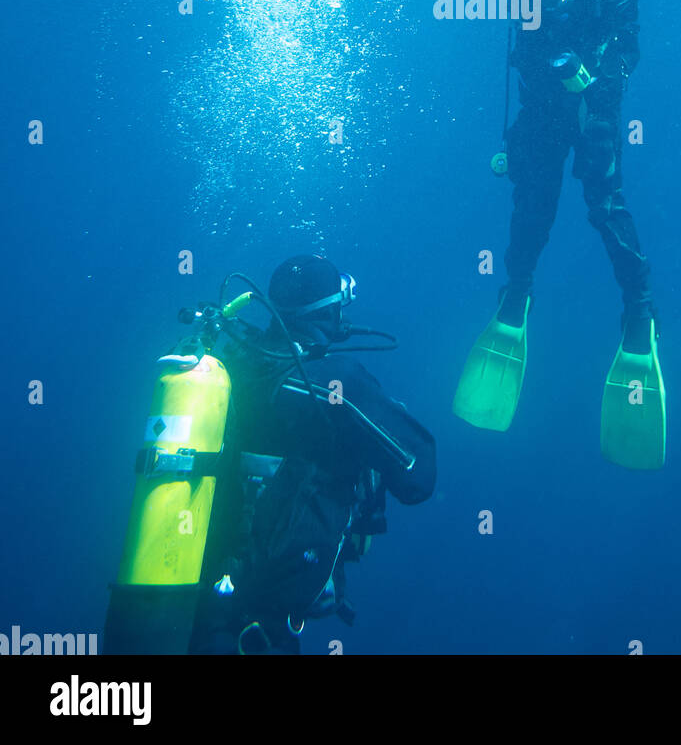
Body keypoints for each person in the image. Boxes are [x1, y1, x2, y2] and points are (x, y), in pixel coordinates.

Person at [105, 254, 435, 655]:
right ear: (330, 310)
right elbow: (418, 477)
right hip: (258, 625)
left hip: (188, 599)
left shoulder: (229, 369)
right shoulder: (336, 384)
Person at [453, 0, 665, 469]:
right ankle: (516, 295)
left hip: (593, 100)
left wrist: (596, 85)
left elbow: (628, 45)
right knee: (533, 205)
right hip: (541, 106)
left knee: (605, 202)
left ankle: (639, 310)